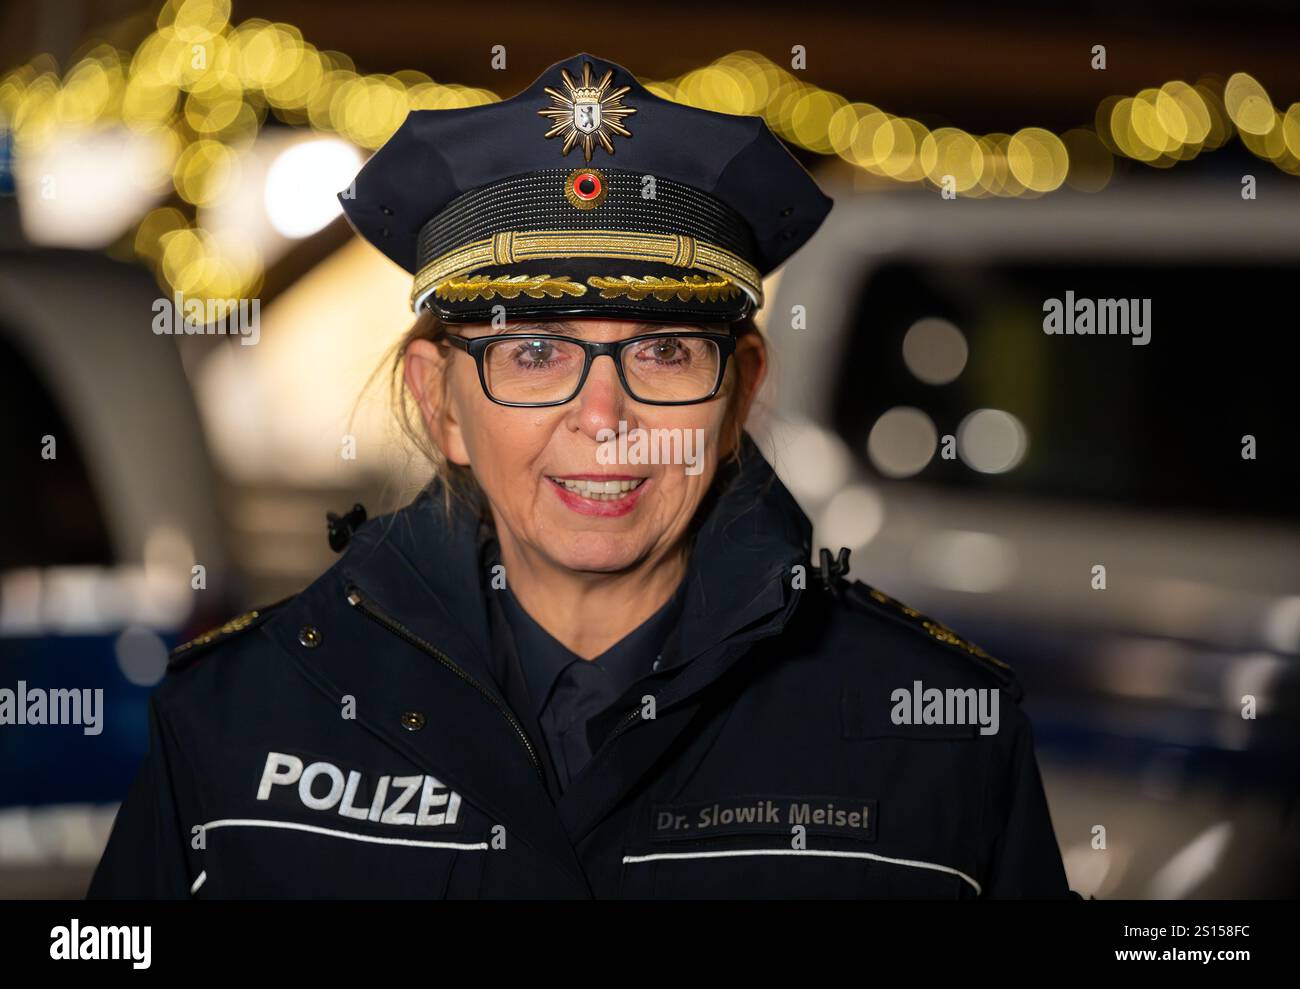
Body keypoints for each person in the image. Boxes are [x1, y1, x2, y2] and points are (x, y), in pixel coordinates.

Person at [88, 52, 1072, 899]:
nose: (603, 420)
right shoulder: (235, 720)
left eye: (666, 353)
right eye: (533, 355)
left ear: (739, 395)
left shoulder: (939, 737)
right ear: (439, 402)